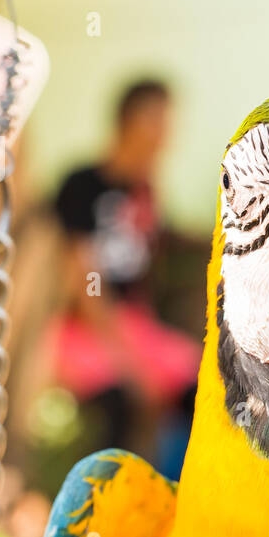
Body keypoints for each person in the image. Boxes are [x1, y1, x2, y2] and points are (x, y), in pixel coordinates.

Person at [46, 79, 201, 475]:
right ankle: (100, 508)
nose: (165, 137)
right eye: (157, 123)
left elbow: (144, 285)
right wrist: (136, 366)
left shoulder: (146, 191)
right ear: (129, 122)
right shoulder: (81, 186)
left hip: (133, 327)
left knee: (203, 391)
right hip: (82, 330)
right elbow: (84, 287)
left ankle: (179, 496)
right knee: (119, 402)